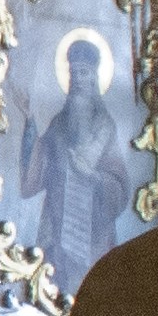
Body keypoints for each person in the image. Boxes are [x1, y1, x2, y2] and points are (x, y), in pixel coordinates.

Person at [23, 36, 134, 289]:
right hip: (58, 234)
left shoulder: (106, 126)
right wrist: (29, 123)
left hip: (94, 236)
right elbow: (37, 173)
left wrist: (92, 176)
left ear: (94, 78)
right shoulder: (59, 124)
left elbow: (119, 185)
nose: (77, 80)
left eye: (83, 73)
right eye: (73, 73)